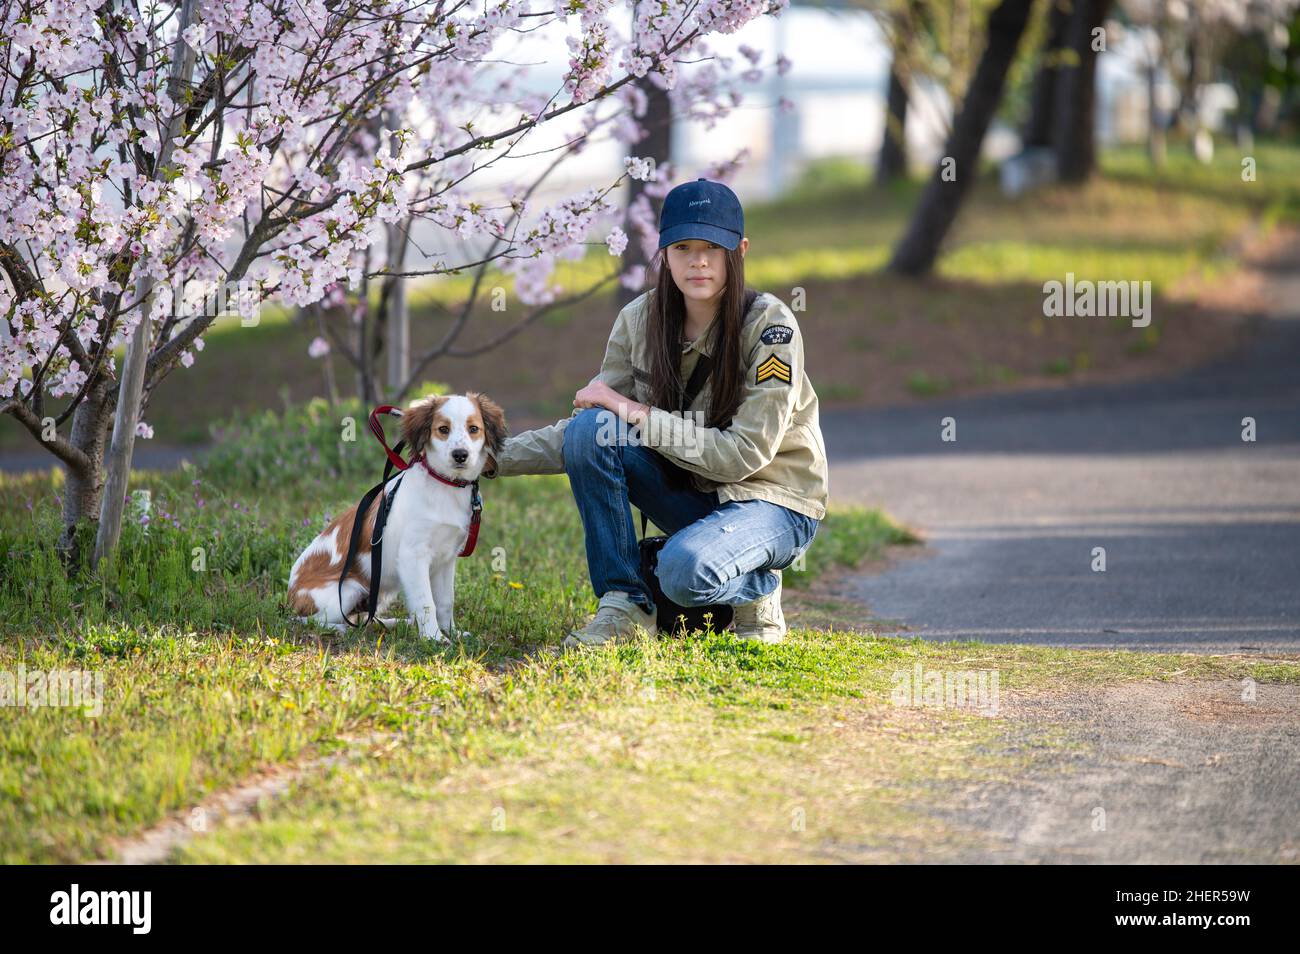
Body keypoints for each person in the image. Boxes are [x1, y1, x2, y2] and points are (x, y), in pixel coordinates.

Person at [482, 177, 829, 646]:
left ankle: (756, 588)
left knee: (683, 573)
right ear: (663, 252)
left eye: (713, 246)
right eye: (683, 246)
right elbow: (591, 428)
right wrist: (483, 457)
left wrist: (633, 410)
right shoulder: (638, 320)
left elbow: (743, 456)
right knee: (592, 430)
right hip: (694, 490)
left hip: (773, 502)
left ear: (740, 250)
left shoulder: (770, 328)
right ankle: (624, 606)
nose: (698, 260)